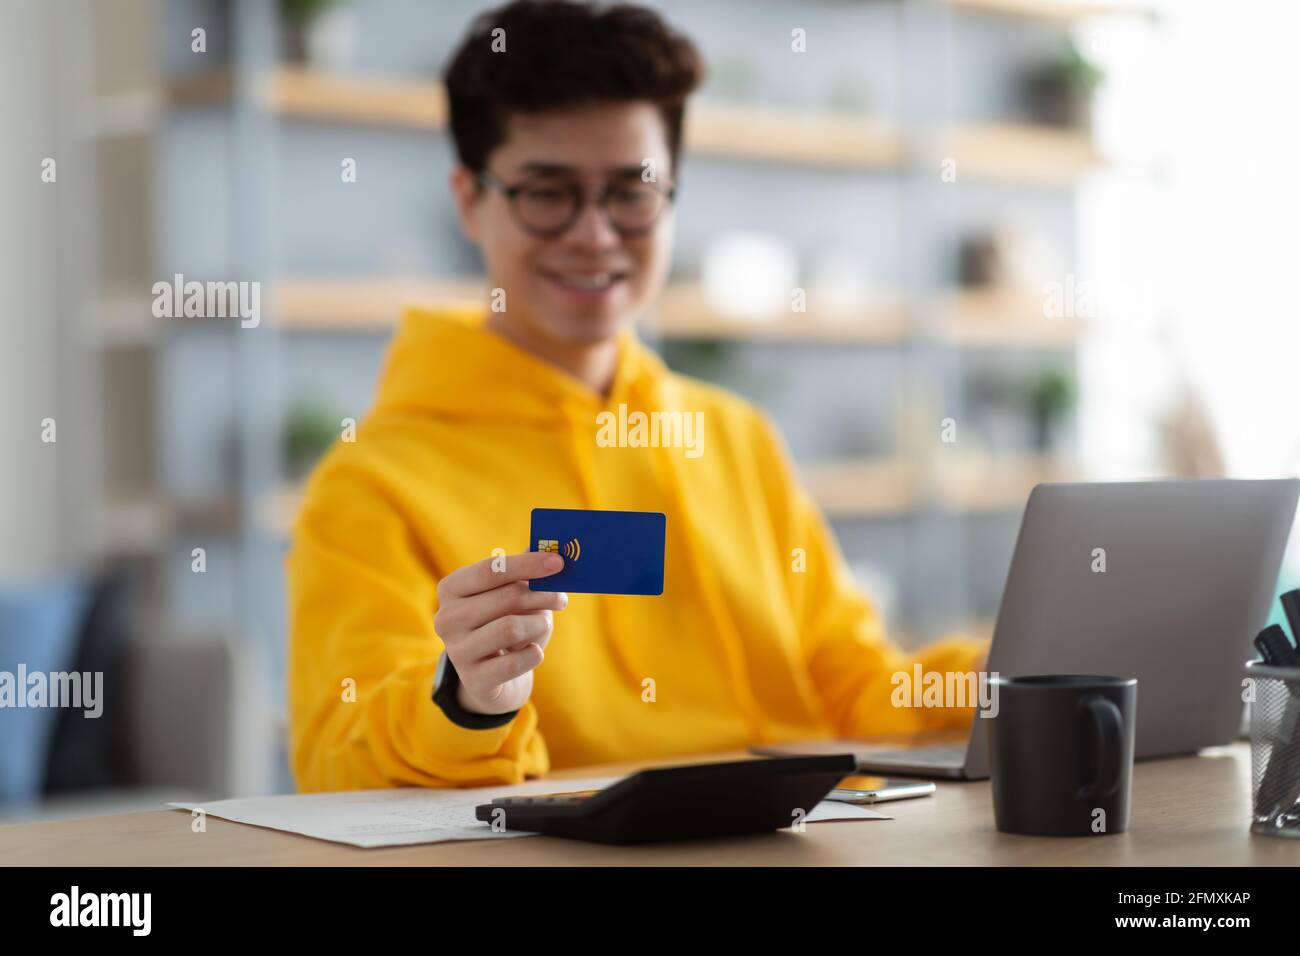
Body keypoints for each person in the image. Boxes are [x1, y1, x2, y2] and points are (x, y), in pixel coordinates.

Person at [288, 0, 985, 791]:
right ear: (468, 199)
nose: (594, 233)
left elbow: (852, 688)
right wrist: (467, 705)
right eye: (547, 193)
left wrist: (1004, 676)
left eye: (632, 193)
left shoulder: (735, 437)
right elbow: (335, 762)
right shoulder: (368, 488)